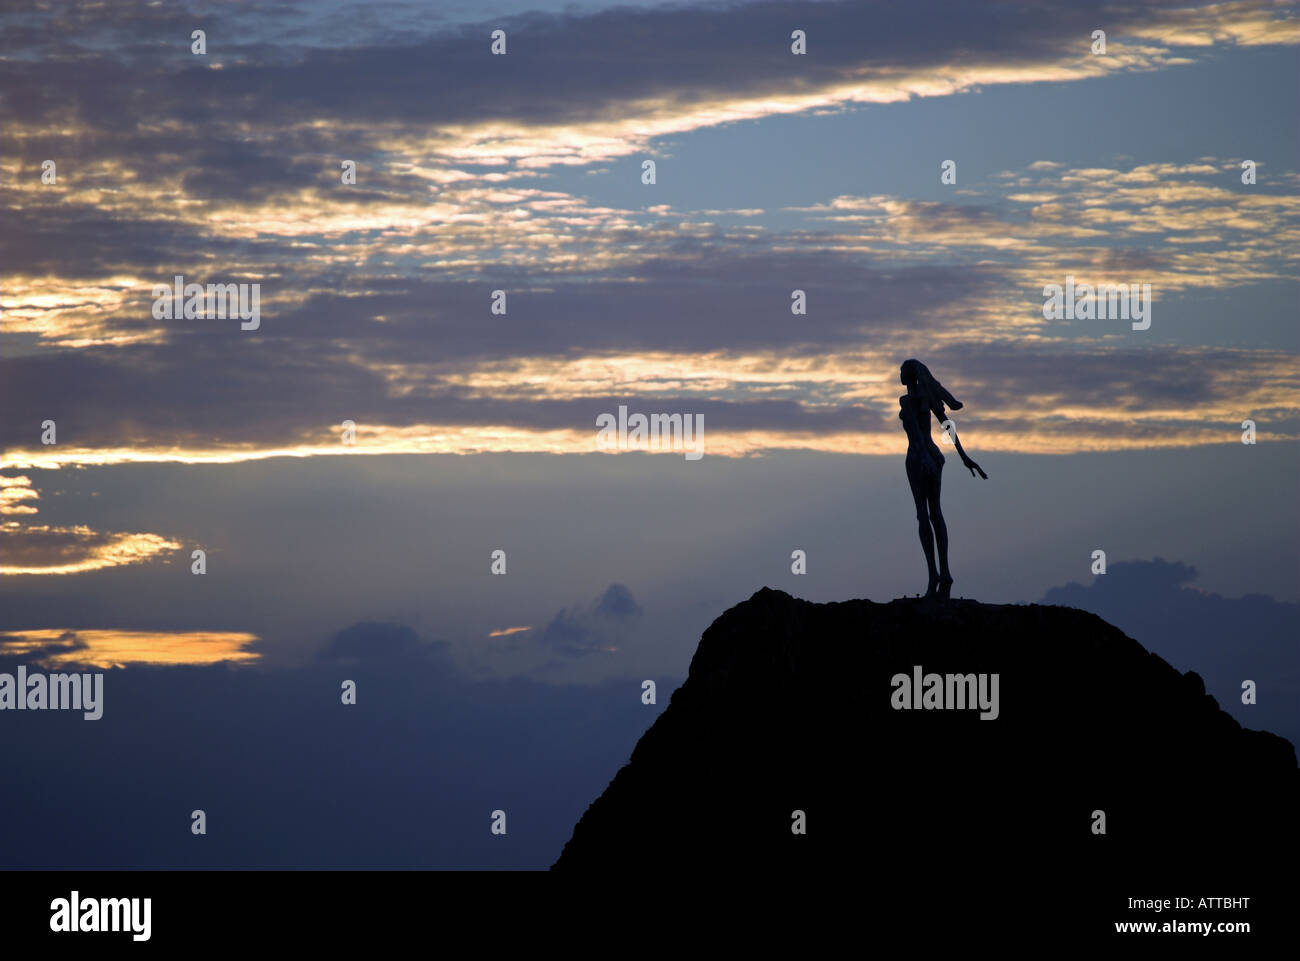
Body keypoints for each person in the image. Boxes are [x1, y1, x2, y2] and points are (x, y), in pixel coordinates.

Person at [898, 359, 987, 599]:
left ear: (909, 375)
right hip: (934, 456)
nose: (899, 374)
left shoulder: (906, 401)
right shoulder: (926, 399)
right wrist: (963, 457)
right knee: (935, 513)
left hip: (919, 458)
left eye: (901, 370)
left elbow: (917, 435)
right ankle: (943, 574)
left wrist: (927, 456)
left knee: (923, 514)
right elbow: (948, 425)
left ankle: (934, 577)